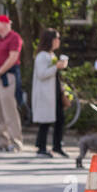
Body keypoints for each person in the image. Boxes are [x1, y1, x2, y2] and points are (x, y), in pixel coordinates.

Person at [0, 14, 23, 151]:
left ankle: (16, 141)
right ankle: (2, 141)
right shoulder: (0, 40)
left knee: (9, 110)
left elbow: (13, 58)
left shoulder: (14, 37)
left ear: (3, 24)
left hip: (6, 76)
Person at [31, 29, 68, 158]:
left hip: (55, 93)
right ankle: (41, 147)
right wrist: (56, 67)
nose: (58, 41)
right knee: (45, 121)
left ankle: (57, 146)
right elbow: (42, 74)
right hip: (45, 94)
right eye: (56, 38)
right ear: (50, 40)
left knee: (59, 119)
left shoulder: (51, 55)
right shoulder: (42, 56)